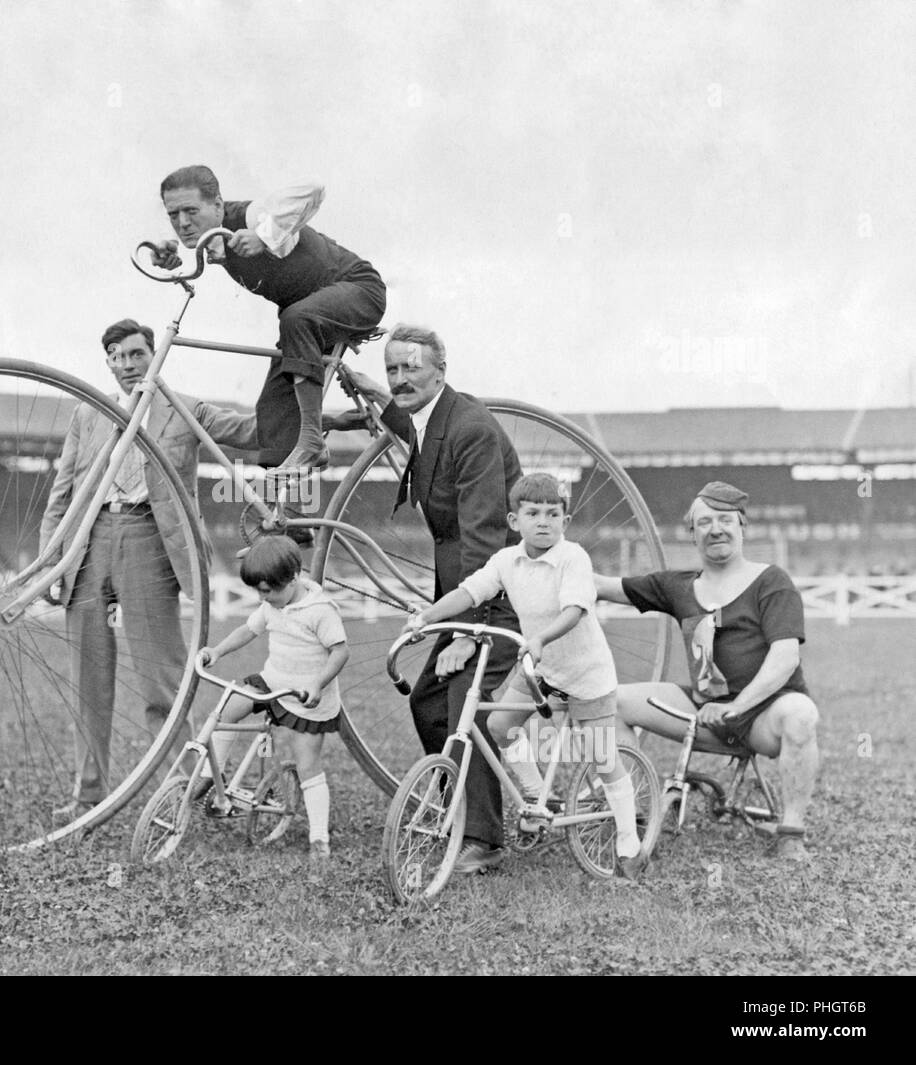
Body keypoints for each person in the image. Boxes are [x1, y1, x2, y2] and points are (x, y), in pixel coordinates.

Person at [38, 318, 259, 819]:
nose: (127, 365)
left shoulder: (184, 408)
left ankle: (183, 794)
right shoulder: (87, 413)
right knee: (88, 681)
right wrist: (50, 560)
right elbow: (62, 490)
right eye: (117, 356)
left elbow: (250, 431)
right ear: (108, 363)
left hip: (150, 539)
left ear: (155, 355)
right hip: (88, 541)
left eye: (137, 354)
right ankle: (87, 795)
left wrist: (308, 411)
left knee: (161, 677)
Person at [406, 473, 648, 879]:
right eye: (533, 513)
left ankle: (629, 840)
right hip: (542, 669)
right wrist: (427, 617)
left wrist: (540, 638)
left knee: (602, 756)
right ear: (514, 521)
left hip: (585, 673)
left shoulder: (573, 558)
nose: (543, 522)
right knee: (500, 725)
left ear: (565, 522)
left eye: (553, 514)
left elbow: (575, 610)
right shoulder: (506, 561)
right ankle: (538, 797)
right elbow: (470, 591)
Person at [346, 325, 523, 874]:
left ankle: (484, 840)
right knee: (427, 700)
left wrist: (470, 634)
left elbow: (485, 539)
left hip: (501, 592)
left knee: (464, 697)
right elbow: (403, 418)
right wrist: (367, 390)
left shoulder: (472, 430)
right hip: (460, 589)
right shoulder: (429, 416)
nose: (400, 379)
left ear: (440, 371)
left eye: (411, 369)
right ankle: (459, 805)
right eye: (393, 369)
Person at [594, 481, 820, 862]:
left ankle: (791, 833)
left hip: (763, 715)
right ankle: (631, 816)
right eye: (704, 522)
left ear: (742, 526)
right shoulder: (677, 586)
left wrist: (735, 708)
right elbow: (601, 586)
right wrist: (540, 559)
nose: (716, 529)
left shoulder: (772, 581)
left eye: (725, 520)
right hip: (702, 710)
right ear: (692, 532)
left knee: (802, 715)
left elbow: (785, 659)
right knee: (610, 702)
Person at [150, 165, 386, 473]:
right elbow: (192, 235)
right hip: (307, 323)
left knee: (295, 318)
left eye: (191, 211)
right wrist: (167, 250)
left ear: (218, 205)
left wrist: (264, 237)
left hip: (358, 291)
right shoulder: (212, 233)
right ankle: (317, 444)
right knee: (272, 427)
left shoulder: (253, 217)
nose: (182, 223)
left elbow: (314, 186)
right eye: (173, 215)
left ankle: (311, 440)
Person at [197, 537, 349, 859]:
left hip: (305, 697)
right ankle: (212, 775)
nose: (262, 598)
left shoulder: (320, 611)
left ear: (293, 579)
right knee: (228, 709)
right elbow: (247, 630)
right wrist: (217, 651)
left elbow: (340, 652)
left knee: (307, 765)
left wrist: (318, 683)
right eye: (258, 592)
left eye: (268, 591)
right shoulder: (270, 605)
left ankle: (319, 838)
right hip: (274, 682)